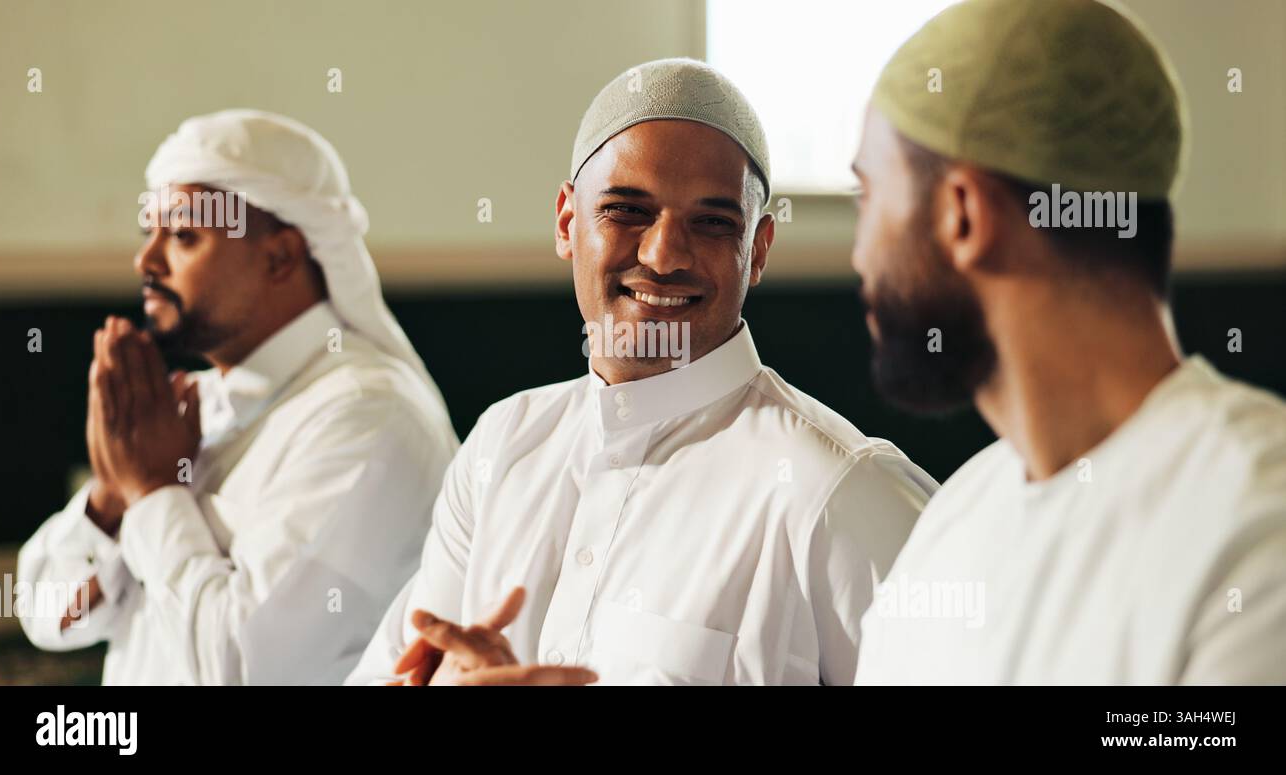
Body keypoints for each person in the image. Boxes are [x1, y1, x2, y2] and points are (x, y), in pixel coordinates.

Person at [348, 59, 937, 686]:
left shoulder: (837, 489)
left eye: (712, 222)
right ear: (567, 222)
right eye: (628, 211)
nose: (662, 256)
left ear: (758, 250)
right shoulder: (505, 444)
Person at [848, 0, 1286, 684]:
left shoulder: (1257, 522)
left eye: (867, 196)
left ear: (962, 213)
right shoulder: (951, 526)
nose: (859, 255)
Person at [16, 110, 459, 685]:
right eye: (147, 233)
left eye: (182, 236)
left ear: (279, 256)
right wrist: (112, 492)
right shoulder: (188, 411)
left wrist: (152, 492)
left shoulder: (367, 414)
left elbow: (245, 668)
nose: (146, 261)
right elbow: (46, 615)